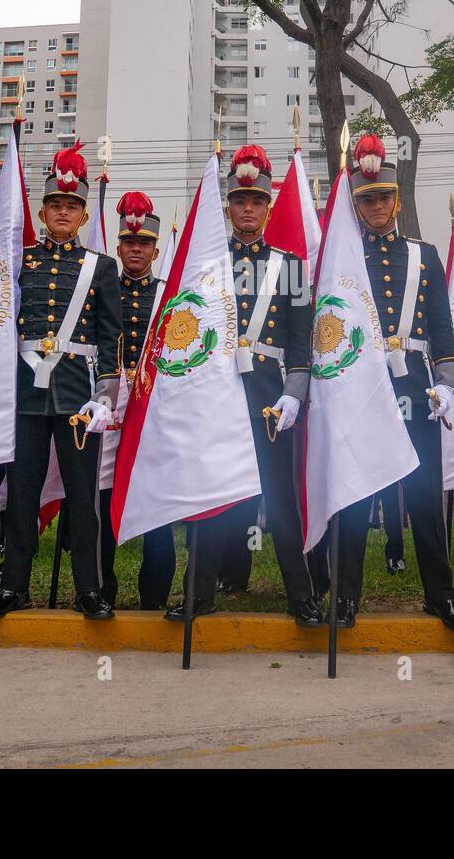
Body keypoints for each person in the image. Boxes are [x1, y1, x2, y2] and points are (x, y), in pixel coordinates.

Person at [165, 144, 323, 626]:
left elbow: (300, 345)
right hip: (220, 396)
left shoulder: (291, 267)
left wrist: (294, 395)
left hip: (271, 397)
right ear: (229, 205)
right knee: (214, 496)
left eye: (256, 200)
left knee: (280, 502)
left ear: (268, 205)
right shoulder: (208, 266)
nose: (247, 208)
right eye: (239, 200)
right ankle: (200, 592)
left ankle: (302, 596)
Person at [332, 135, 454, 631]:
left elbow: (443, 333)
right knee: (355, 495)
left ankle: (440, 595)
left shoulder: (424, 256)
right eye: (366, 198)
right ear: (356, 202)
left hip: (416, 389)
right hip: (362, 390)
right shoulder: (342, 258)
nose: (375, 205)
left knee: (424, 497)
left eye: (383, 197)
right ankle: (346, 596)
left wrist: (449, 384)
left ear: (396, 199)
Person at [0, 142, 122, 620]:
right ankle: (14, 586)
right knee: (21, 495)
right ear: (42, 213)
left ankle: (89, 590)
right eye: (56, 206)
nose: (63, 213)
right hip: (24, 395)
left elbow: (110, 338)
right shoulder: (21, 262)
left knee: (84, 500)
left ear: (82, 215)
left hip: (78, 396)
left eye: (72, 207)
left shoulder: (101, 267)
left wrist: (106, 395)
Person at [94, 191, 174, 610]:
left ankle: (155, 594)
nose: (135, 249)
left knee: (155, 495)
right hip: (111, 397)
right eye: (128, 242)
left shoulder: (168, 293)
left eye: (143, 244)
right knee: (104, 495)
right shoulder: (101, 285)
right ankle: (102, 587)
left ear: (155, 249)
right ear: (119, 246)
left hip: (152, 402)